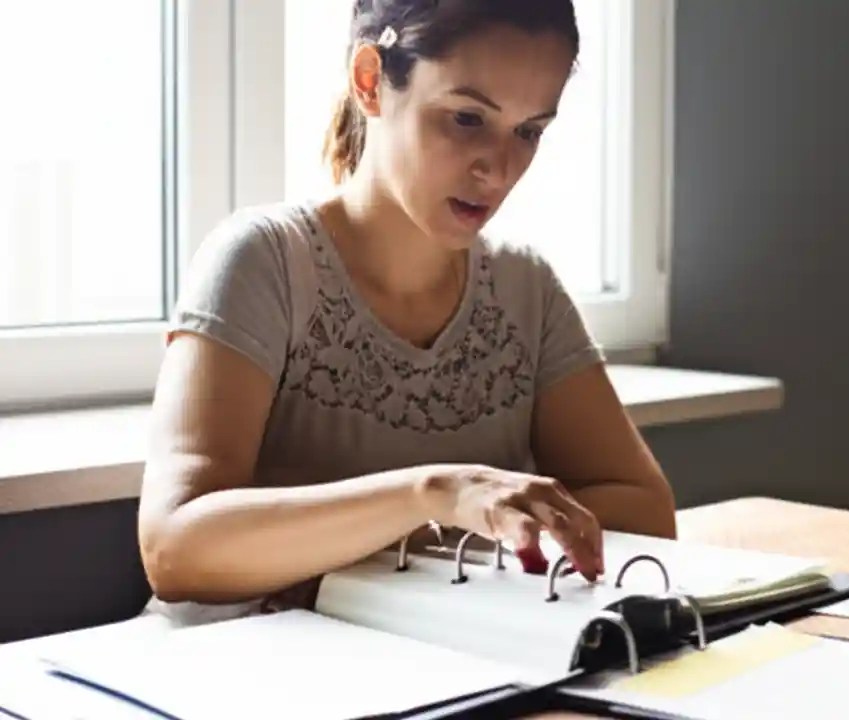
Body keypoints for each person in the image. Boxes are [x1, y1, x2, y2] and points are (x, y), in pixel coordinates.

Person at [137, 0, 677, 624]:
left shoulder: (525, 288)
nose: (498, 168)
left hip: (439, 657)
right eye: (467, 118)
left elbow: (646, 511)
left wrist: (434, 531)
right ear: (369, 80)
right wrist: (437, 494)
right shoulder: (262, 261)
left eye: (529, 131)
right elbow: (174, 549)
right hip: (225, 665)